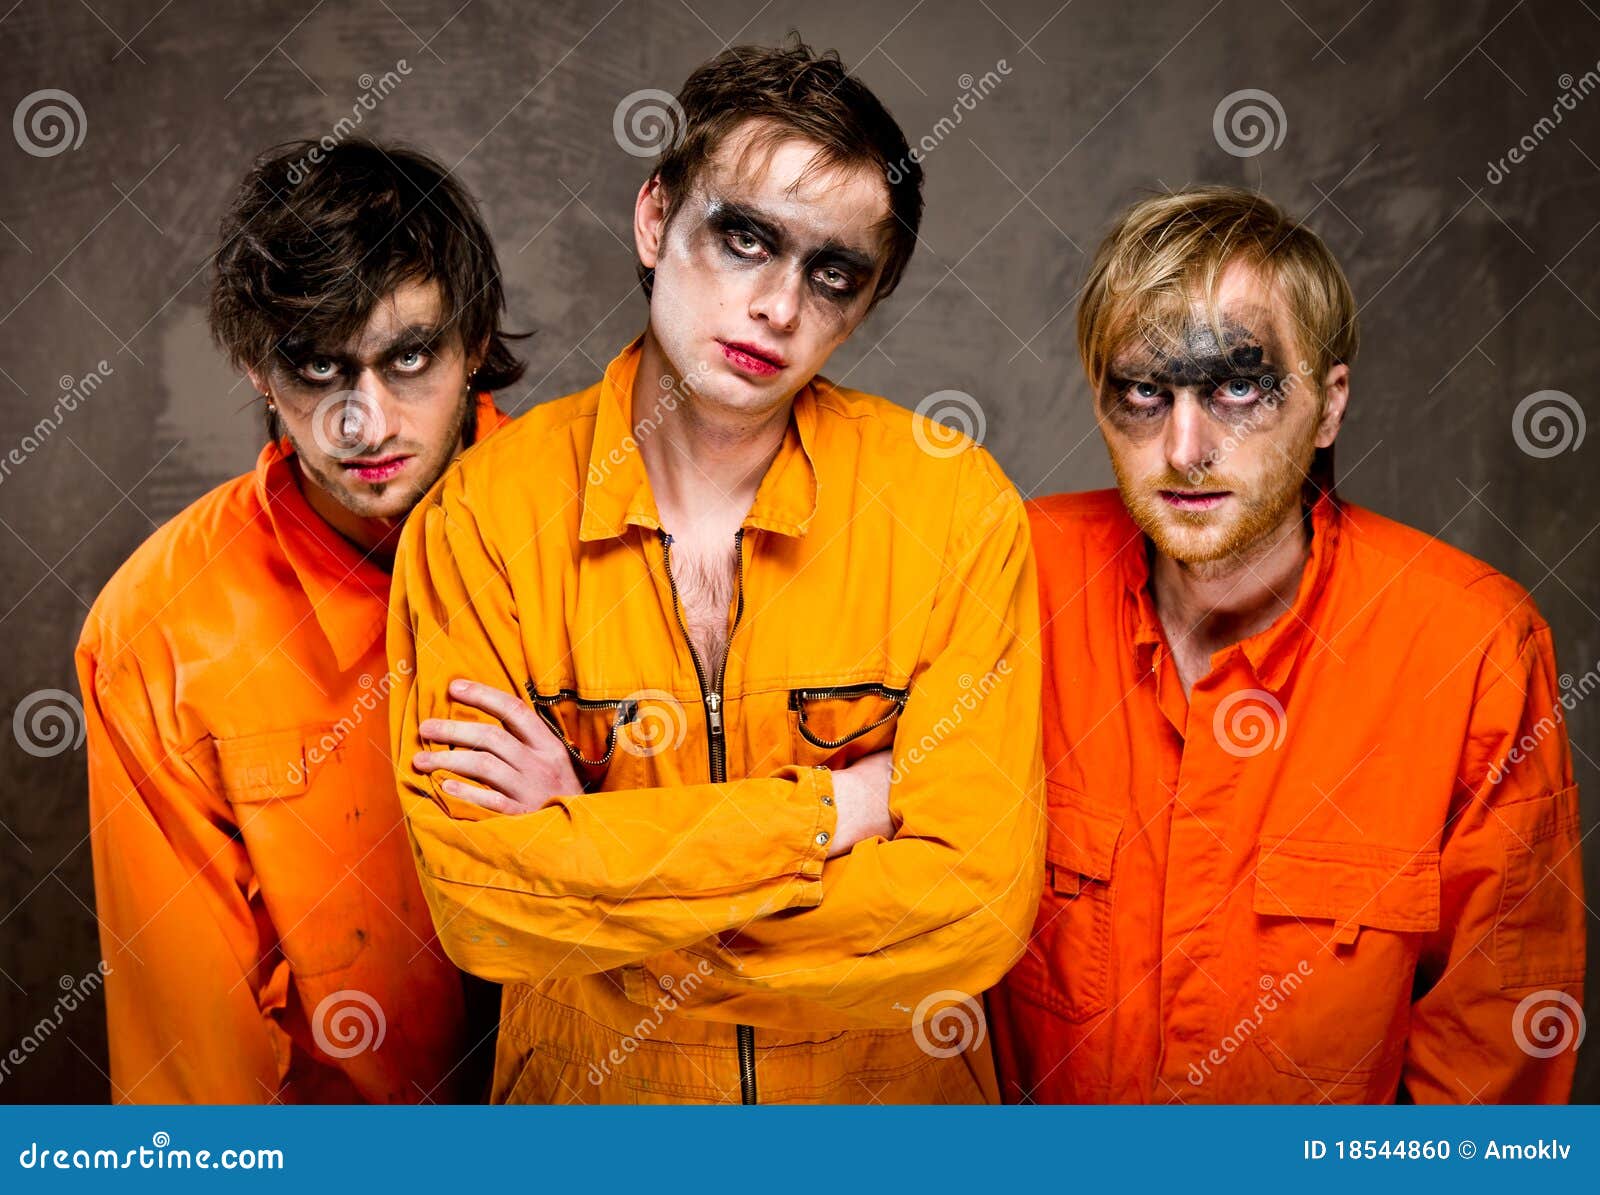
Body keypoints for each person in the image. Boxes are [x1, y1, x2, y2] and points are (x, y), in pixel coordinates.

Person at [387, 41, 1044, 1104]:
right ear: (656, 219)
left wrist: (590, 853)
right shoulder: (484, 518)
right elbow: (480, 899)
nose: (778, 307)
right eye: (744, 238)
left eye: (831, 275)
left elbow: (967, 910)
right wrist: (838, 810)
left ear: (865, 302)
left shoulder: (951, 509)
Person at [990, 185, 1586, 1103]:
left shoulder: (1470, 649)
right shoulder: (1008, 578)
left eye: (1236, 386)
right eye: (1145, 392)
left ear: (1329, 405)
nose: (1185, 447)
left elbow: (1491, 1061)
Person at [78, 139, 520, 1102]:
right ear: (253, 366)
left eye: (410, 356)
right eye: (319, 367)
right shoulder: (161, 630)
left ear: (476, 339)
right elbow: (189, 1071)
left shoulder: (615, 530)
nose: (366, 422)